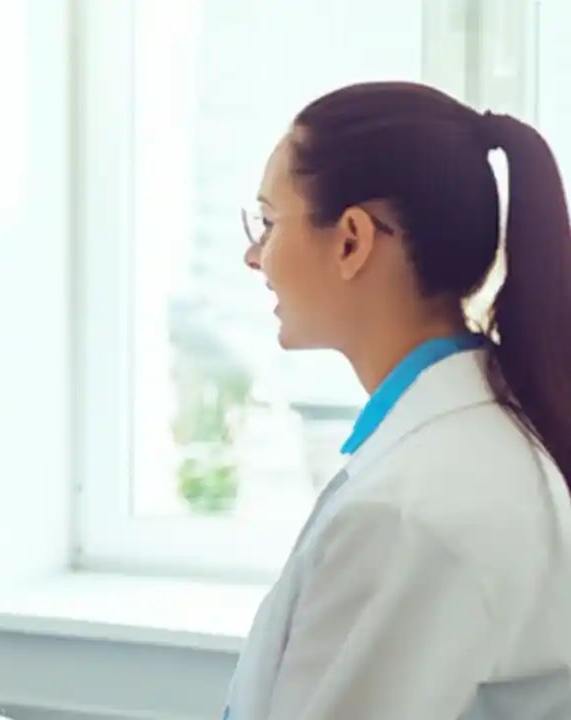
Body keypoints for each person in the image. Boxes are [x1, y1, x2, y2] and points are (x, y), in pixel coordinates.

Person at [224, 80, 571, 719]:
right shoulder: (465, 445)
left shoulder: (409, 512)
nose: (254, 254)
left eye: (268, 222)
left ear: (351, 240)